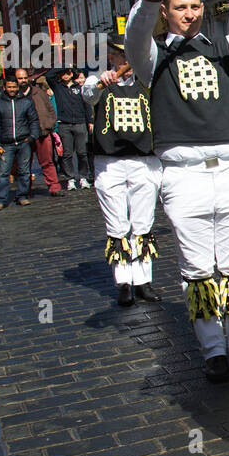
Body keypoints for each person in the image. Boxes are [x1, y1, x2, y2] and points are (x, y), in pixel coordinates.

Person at [125, 0, 229, 384]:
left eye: (195, 5)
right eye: (180, 6)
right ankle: (213, 349)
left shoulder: (227, 47)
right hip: (184, 176)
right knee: (199, 267)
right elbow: (135, 33)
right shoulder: (152, 57)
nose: (189, 13)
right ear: (165, 13)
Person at [82, 44, 162, 307]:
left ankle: (143, 281)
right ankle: (124, 282)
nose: (125, 60)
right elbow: (88, 93)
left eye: (130, 56)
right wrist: (100, 82)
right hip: (110, 162)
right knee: (117, 223)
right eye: (120, 56)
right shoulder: (99, 80)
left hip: (143, 160)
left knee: (143, 222)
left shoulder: (147, 81)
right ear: (111, 58)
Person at [0, 72, 41, 210]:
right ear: (4, 87)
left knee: (24, 172)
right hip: (6, 144)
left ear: (17, 87)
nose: (12, 89)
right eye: (9, 87)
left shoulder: (26, 101)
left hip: (24, 141)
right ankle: (0, 199)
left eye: (14, 87)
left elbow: (33, 120)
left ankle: (22, 196)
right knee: (4, 173)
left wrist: (32, 137)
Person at [15, 67, 64, 198]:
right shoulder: (14, 95)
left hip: (42, 133)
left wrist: (50, 125)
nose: (23, 80)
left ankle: (54, 187)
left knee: (47, 162)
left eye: (25, 78)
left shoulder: (38, 92)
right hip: (24, 136)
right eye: (20, 78)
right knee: (24, 165)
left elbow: (50, 109)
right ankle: (25, 191)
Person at [49, 66, 94, 191]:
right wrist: (62, 66)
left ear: (72, 74)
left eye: (68, 72)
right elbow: (48, 76)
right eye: (63, 73)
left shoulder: (79, 88)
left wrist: (89, 121)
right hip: (64, 124)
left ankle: (83, 177)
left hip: (80, 123)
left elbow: (86, 105)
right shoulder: (58, 87)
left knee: (82, 153)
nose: (65, 75)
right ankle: (70, 179)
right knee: (67, 154)